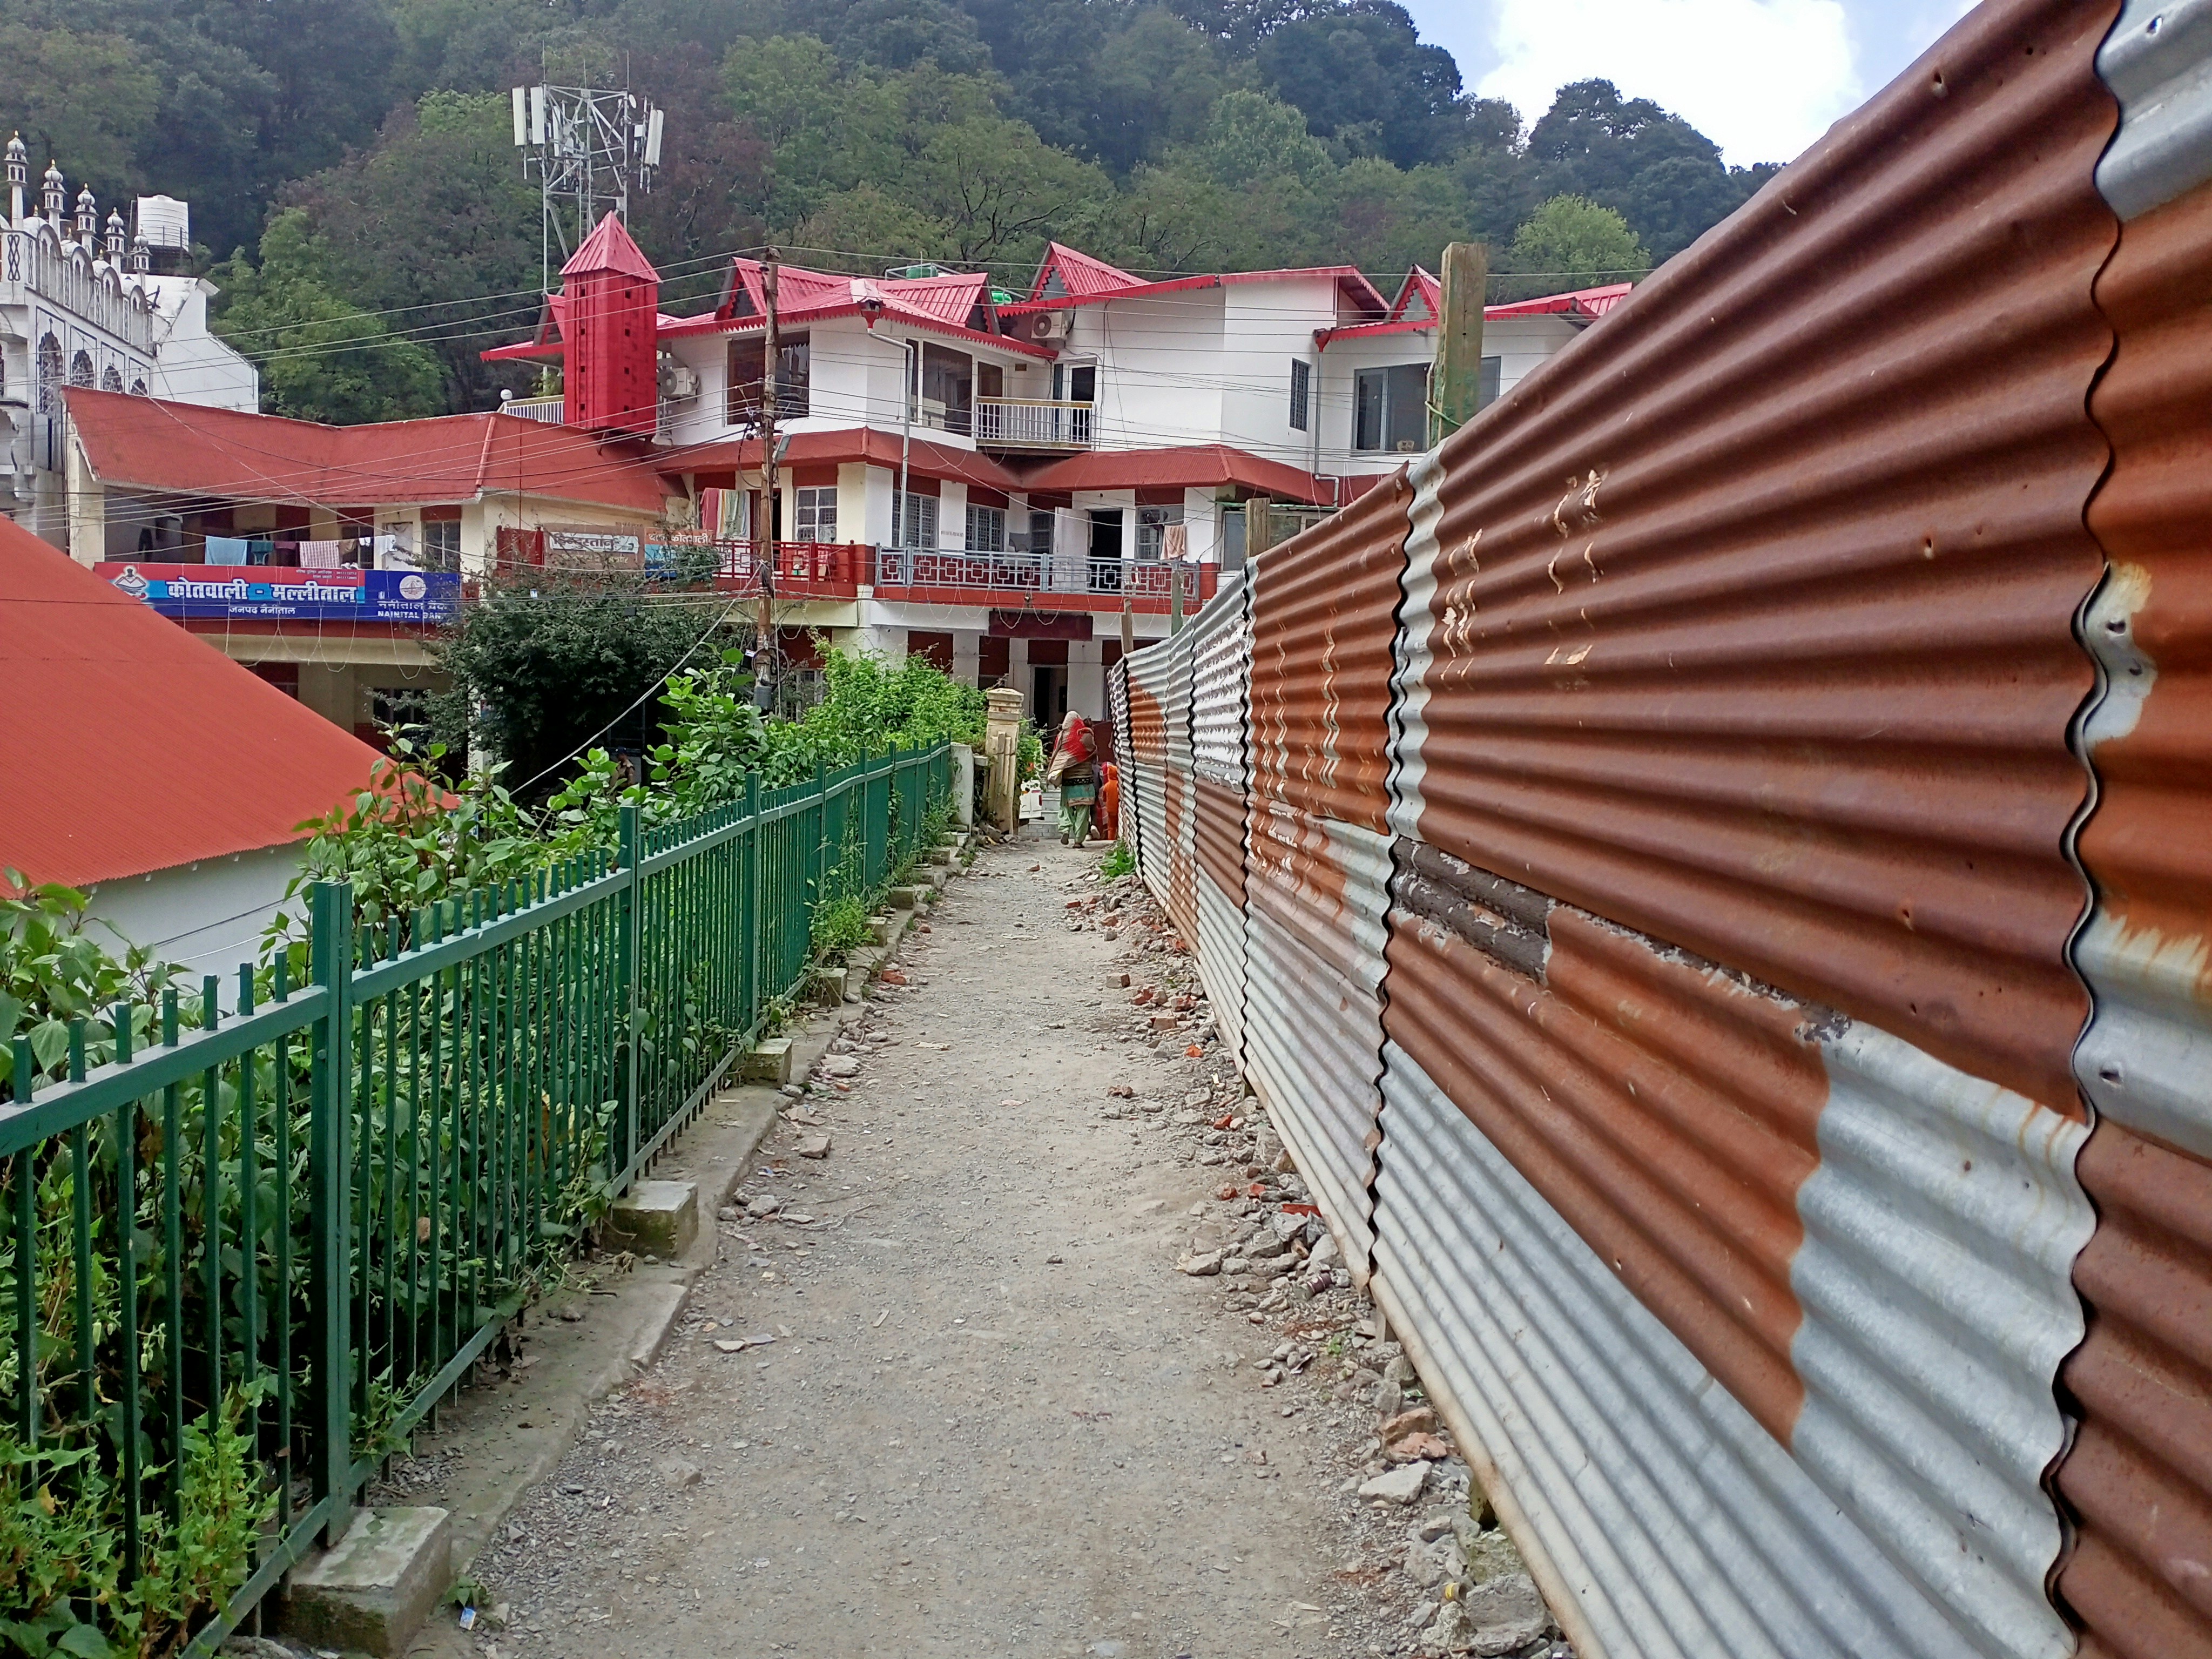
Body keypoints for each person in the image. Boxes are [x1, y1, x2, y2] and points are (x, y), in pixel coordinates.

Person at [1045, 711, 1098, 845]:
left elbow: (1059, 756)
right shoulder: (1086, 735)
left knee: (1065, 808)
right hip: (1085, 783)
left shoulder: (1062, 737)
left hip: (1069, 783)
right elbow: (1093, 751)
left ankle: (1065, 830)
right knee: (1083, 812)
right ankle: (1079, 841)